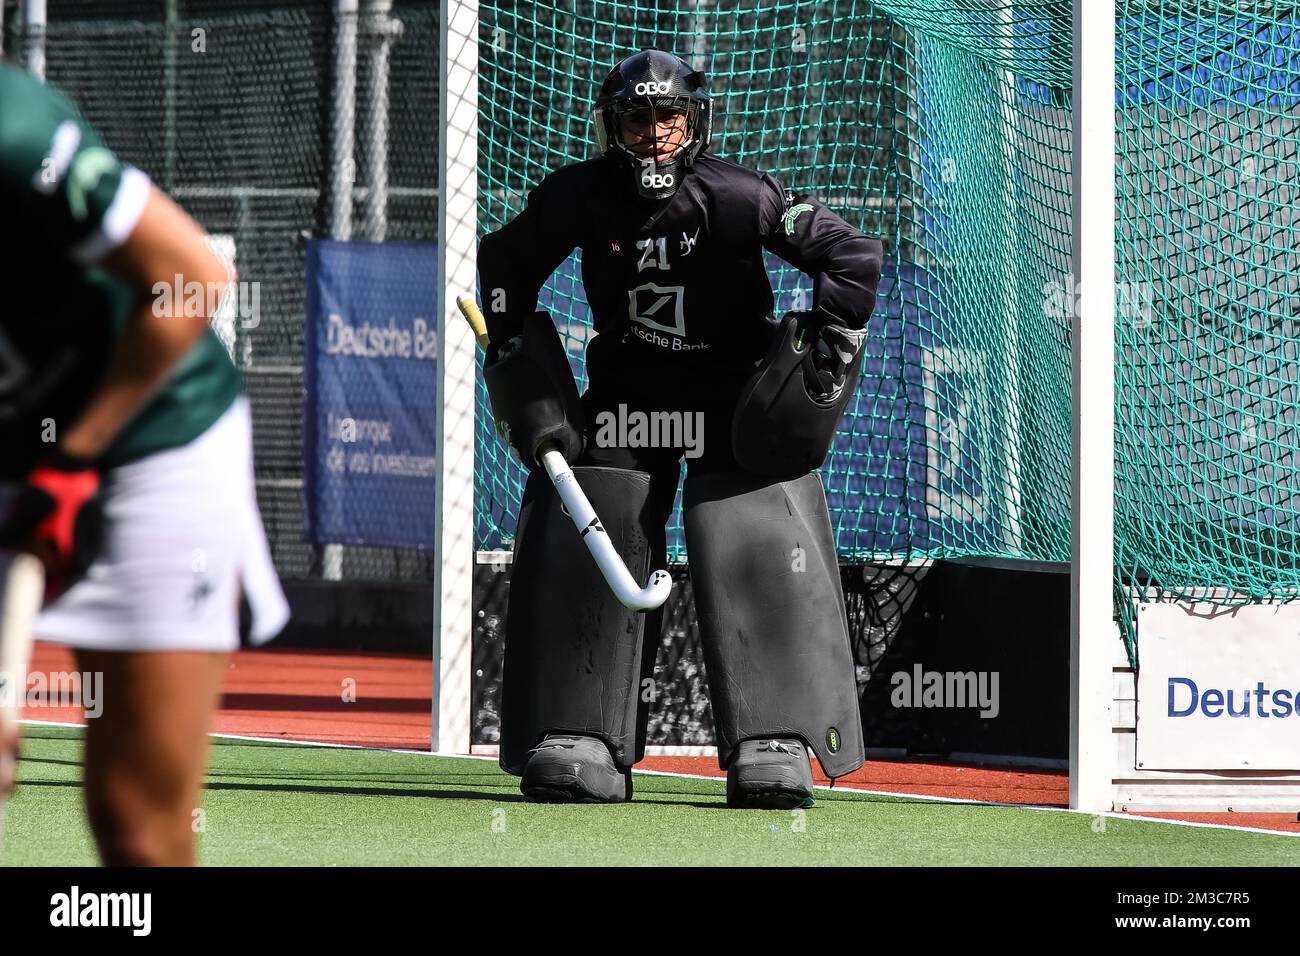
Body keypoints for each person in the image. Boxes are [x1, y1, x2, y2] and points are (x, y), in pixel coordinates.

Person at [477, 49, 883, 806]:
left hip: (733, 405)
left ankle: (778, 733)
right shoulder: (577, 197)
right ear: (612, 128)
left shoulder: (740, 196)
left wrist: (826, 355)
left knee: (753, 524)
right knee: (591, 506)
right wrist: (516, 362)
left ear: (695, 124)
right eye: (637, 118)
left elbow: (851, 257)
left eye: (669, 118)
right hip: (631, 399)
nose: (654, 134)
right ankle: (580, 728)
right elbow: (503, 265)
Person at [0, 61, 288, 864]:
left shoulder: (11, 128)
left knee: (137, 823)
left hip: (148, 440)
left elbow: (190, 279)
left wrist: (76, 452)